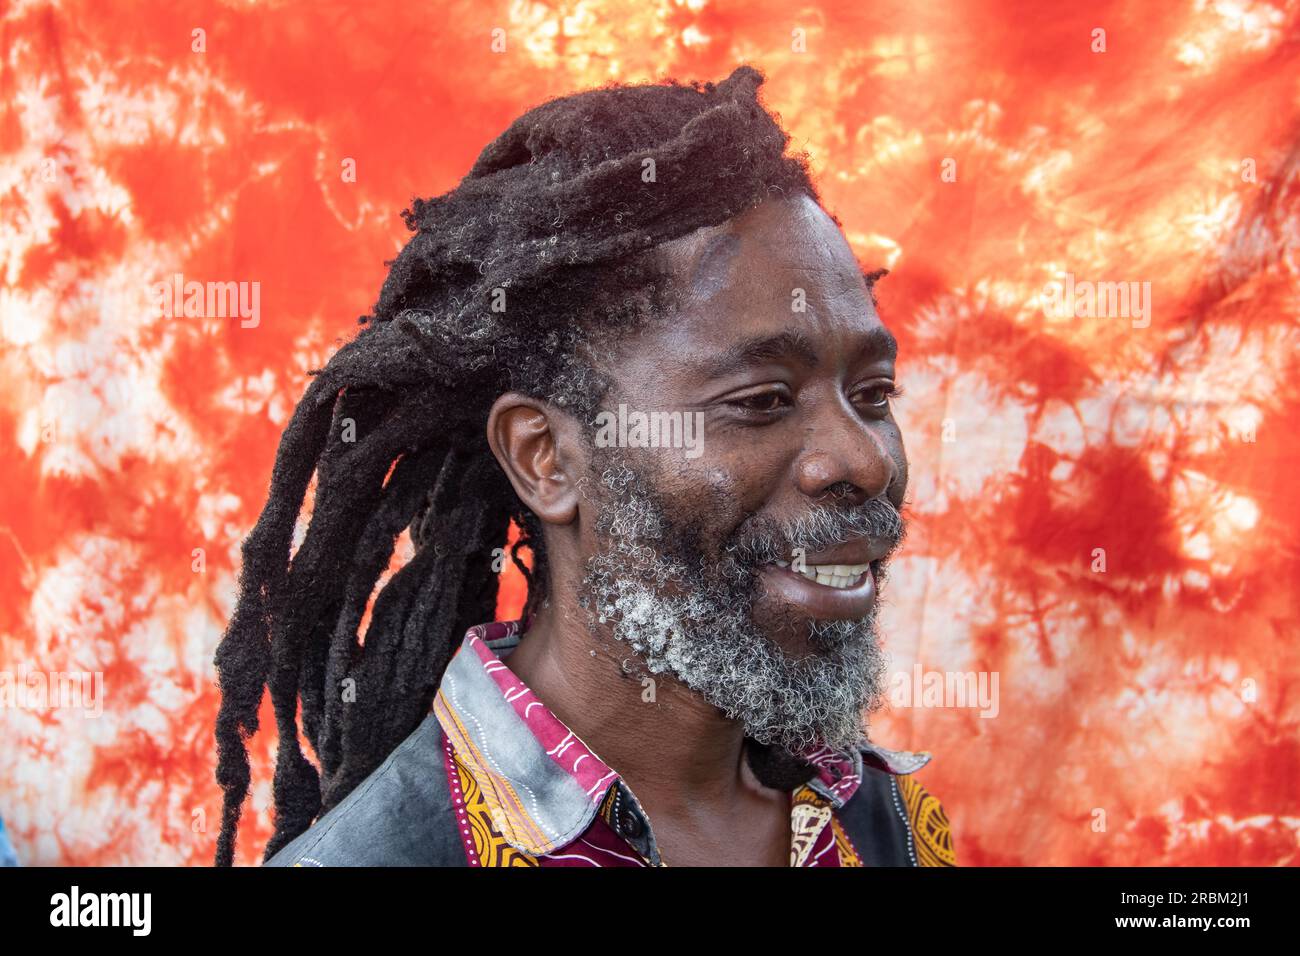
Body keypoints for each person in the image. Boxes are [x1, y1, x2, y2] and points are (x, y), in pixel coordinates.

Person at [214, 64, 955, 868]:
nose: (864, 458)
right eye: (763, 401)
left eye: (874, 393)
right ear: (546, 458)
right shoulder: (385, 855)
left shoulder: (887, 820)